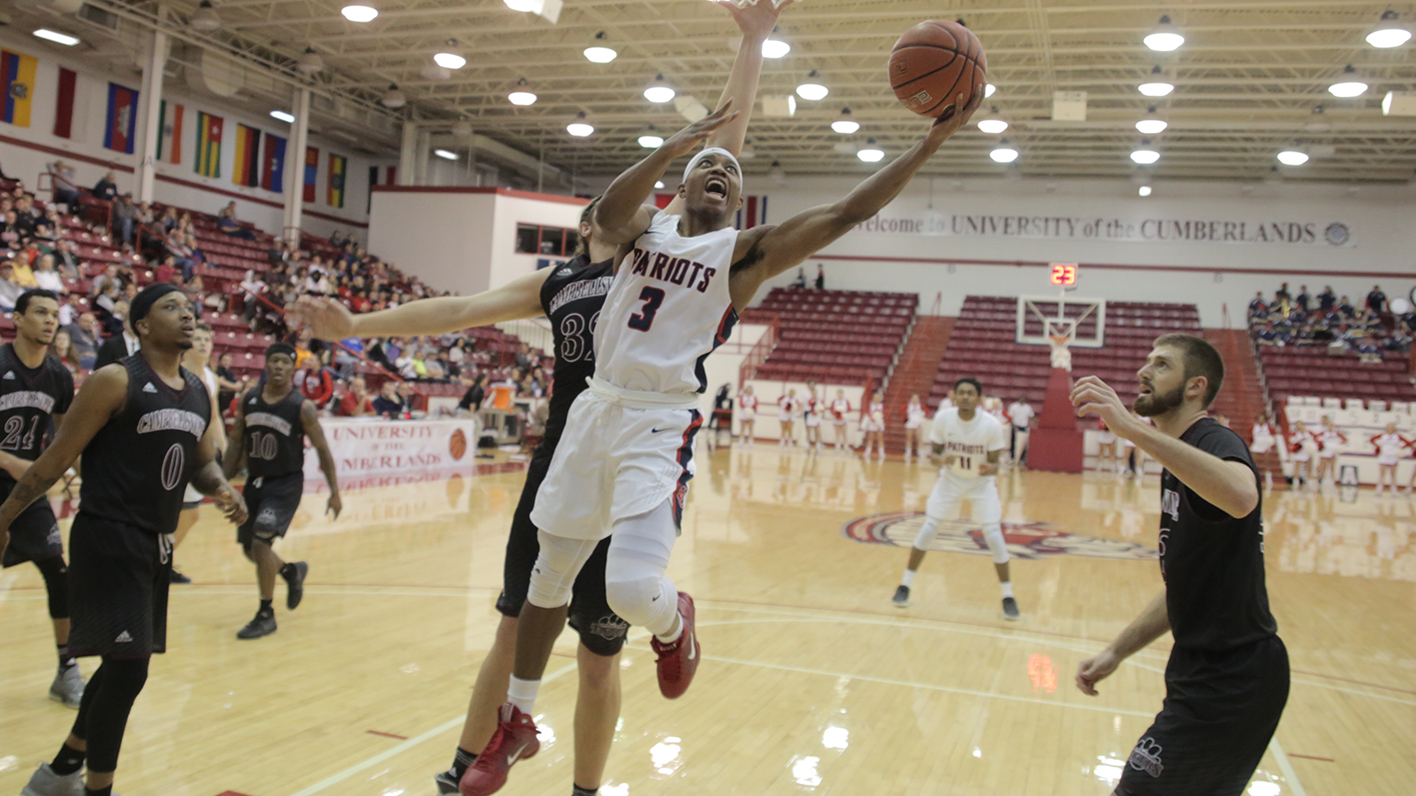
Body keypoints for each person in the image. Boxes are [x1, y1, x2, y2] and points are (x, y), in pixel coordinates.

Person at [458, 75, 982, 796]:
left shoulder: (745, 253)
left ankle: (676, 625)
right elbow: (605, 213)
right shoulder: (645, 228)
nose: (717, 170)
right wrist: (672, 147)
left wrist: (929, 143)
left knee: (631, 588)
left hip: (657, 422)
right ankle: (516, 719)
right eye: (709, 164)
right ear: (683, 181)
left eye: (730, 172)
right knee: (546, 579)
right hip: (593, 412)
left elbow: (848, 210)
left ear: (738, 204)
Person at [9, 284, 247, 796]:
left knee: (122, 668)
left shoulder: (196, 390)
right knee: (130, 670)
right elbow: (53, 461)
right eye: (171, 308)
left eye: (189, 308)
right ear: (141, 325)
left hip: (154, 544)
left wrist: (223, 487)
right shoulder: (115, 380)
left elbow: (201, 463)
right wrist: (5, 514)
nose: (187, 315)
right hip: (108, 537)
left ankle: (59, 772)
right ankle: (96, 788)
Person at [1071, 333, 1288, 796]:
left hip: (1233, 676)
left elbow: (1243, 495)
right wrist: (1117, 650)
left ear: (1195, 387)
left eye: (1162, 364)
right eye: (1147, 361)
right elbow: (1187, 586)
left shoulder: (1213, 439)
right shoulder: (1179, 456)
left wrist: (1133, 429)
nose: (1143, 371)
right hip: (1205, 668)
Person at [0, 291, 83, 707]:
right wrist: (12, 462)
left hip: (29, 493)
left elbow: (69, 435)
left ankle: (66, 668)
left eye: (55, 315)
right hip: (11, 479)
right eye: (40, 313)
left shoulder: (59, 376)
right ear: (16, 319)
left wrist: (75, 473)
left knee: (59, 573)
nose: (50, 321)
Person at [222, 343, 338, 639]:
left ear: (292, 369)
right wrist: (223, 483)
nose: (277, 366)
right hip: (255, 481)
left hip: (285, 483)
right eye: (273, 361)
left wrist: (334, 492)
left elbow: (323, 450)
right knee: (251, 550)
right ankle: (290, 571)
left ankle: (265, 613)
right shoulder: (249, 399)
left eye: (284, 362)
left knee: (261, 544)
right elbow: (236, 442)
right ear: (265, 364)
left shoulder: (301, 407)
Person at [893, 377, 1016, 618]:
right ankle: (905, 585)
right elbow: (934, 455)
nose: (966, 397)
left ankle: (1008, 596)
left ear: (979, 398)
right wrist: (941, 460)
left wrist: (988, 469)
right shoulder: (943, 419)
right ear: (955, 396)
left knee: (993, 535)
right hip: (951, 480)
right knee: (929, 527)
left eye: (971, 393)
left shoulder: (991, 425)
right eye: (962, 393)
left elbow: (995, 464)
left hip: (980, 484)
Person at [170, 323, 227, 584]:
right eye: (199, 338)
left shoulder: (211, 377)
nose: (204, 343)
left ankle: (162, 561)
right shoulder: (174, 373)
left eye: (208, 339)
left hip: (197, 453)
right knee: (169, 512)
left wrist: (225, 450)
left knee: (190, 513)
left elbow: (214, 417)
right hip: (171, 452)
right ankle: (154, 562)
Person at [1372, 423, 1410, 495]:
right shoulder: (1383, 435)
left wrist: (1400, 449)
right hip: (1384, 456)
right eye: (1389, 427)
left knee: (1393, 475)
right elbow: (1371, 439)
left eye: (1392, 427)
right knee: (1382, 474)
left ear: (1394, 428)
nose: (1390, 428)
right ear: (1386, 428)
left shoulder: (1397, 436)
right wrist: (1378, 447)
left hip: (1393, 457)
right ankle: (1379, 490)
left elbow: (1408, 443)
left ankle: (1394, 491)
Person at [1313, 415, 1346, 490]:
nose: (1330, 426)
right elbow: (1315, 437)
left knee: (1332, 467)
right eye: (1329, 425)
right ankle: (1320, 482)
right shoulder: (1324, 432)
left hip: (1332, 451)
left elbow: (1345, 439)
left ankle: (1332, 482)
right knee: (1322, 467)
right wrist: (1320, 443)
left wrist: (1339, 445)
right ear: (1327, 426)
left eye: (1332, 425)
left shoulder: (1336, 433)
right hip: (1325, 450)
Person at [1007, 394, 1035, 469]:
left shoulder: (1028, 408)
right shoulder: (1013, 406)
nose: (1022, 400)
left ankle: (1021, 459)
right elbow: (1010, 417)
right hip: (1015, 426)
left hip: (1024, 427)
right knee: (1013, 442)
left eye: (1024, 399)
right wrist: (1013, 426)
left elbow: (1032, 416)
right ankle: (1012, 458)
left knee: (1023, 444)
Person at [1287, 420, 1314, 489]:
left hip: (1307, 451)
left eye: (1300, 425)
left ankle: (1310, 483)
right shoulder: (1294, 434)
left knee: (1308, 468)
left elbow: (1315, 439)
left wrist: (1312, 448)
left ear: (1303, 425)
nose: (1299, 427)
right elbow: (1290, 441)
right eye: (1297, 425)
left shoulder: (1309, 433)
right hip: (1299, 452)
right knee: (1296, 468)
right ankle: (1296, 483)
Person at [861, 393, 885, 460]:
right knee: (870, 438)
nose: (877, 399)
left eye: (878, 398)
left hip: (880, 423)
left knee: (880, 438)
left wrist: (880, 418)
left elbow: (884, 414)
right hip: (872, 423)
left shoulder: (882, 406)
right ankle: (867, 452)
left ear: (880, 399)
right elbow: (868, 413)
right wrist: (872, 419)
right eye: (875, 398)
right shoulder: (870, 406)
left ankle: (881, 453)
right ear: (873, 399)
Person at [902, 393, 926, 461]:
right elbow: (901, 410)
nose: (915, 399)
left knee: (919, 439)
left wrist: (922, 417)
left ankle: (920, 452)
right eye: (914, 398)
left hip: (918, 424)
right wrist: (906, 417)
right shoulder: (908, 405)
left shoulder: (921, 406)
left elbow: (927, 411)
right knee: (909, 438)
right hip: (910, 424)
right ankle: (908, 452)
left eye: (916, 398)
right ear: (911, 399)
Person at [802, 379, 823, 452]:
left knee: (817, 430)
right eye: (811, 384)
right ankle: (807, 444)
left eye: (813, 384)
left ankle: (818, 445)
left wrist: (818, 410)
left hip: (817, 415)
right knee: (808, 430)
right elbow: (806, 404)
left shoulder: (819, 399)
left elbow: (821, 407)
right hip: (809, 413)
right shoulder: (807, 396)